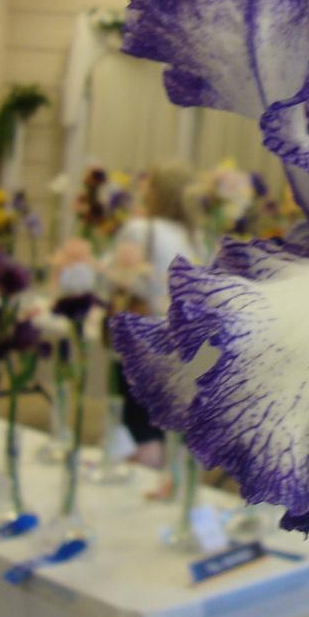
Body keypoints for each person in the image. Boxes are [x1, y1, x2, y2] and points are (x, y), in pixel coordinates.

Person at [111, 161, 199, 465]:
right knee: (168, 428)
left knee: (138, 427)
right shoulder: (197, 238)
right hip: (182, 343)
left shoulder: (140, 229)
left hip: (142, 337)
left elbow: (118, 278)